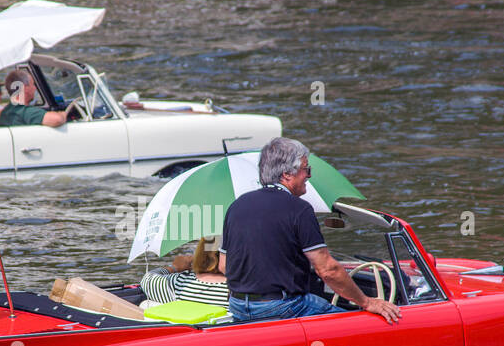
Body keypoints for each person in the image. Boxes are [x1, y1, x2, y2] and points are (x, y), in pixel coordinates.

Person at [219, 137, 401, 323]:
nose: (308, 175)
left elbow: (224, 265)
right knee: (357, 323)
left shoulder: (236, 206)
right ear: (287, 174)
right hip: (283, 306)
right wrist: (367, 301)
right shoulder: (299, 208)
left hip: (238, 306)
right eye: (306, 169)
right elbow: (328, 270)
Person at [140, 236, 229, 307]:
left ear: (201, 253)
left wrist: (174, 267)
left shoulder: (180, 282)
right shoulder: (237, 288)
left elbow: (147, 279)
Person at [0, 68, 68, 128]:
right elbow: (57, 120)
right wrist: (63, 115)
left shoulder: (4, 112)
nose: (35, 88)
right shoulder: (25, 112)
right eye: (32, 84)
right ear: (25, 88)